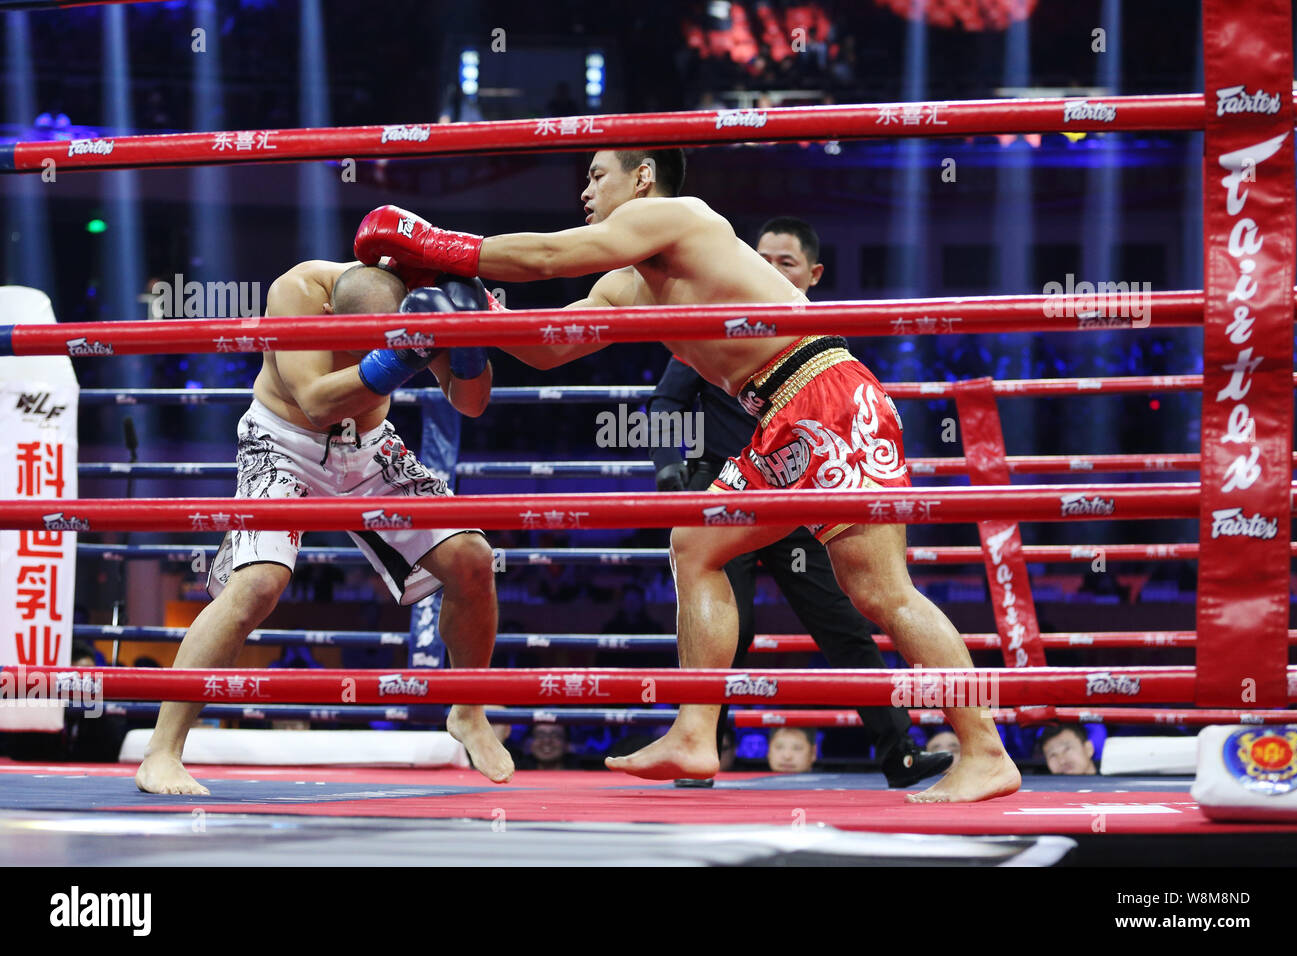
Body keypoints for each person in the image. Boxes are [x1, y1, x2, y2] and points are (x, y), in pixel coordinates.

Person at [353, 148, 1022, 803]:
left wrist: (432, 244)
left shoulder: (680, 215)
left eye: (596, 175)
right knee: (696, 544)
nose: (583, 192)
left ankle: (985, 750)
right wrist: (476, 316)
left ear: (643, 177)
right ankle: (696, 731)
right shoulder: (627, 283)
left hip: (825, 394)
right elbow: (551, 344)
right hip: (775, 421)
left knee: (882, 594)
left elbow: (549, 256)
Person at [134, 261, 513, 795]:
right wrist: (398, 356)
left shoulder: (421, 298)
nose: (367, 357)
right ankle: (162, 753)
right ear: (330, 313)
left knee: (473, 558)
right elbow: (313, 401)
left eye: (380, 345)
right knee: (256, 586)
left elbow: (470, 405)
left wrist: (469, 348)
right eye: (360, 346)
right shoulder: (294, 289)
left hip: (370, 447)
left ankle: (469, 712)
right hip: (283, 445)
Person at [651, 216, 950, 789]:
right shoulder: (720, 314)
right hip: (726, 493)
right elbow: (667, 401)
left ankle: (899, 751)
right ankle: (701, 752)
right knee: (729, 628)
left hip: (801, 490)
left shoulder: (817, 340)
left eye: (782, 262)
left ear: (812, 275)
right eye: (758, 256)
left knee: (844, 619)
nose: (765, 269)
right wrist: (674, 473)